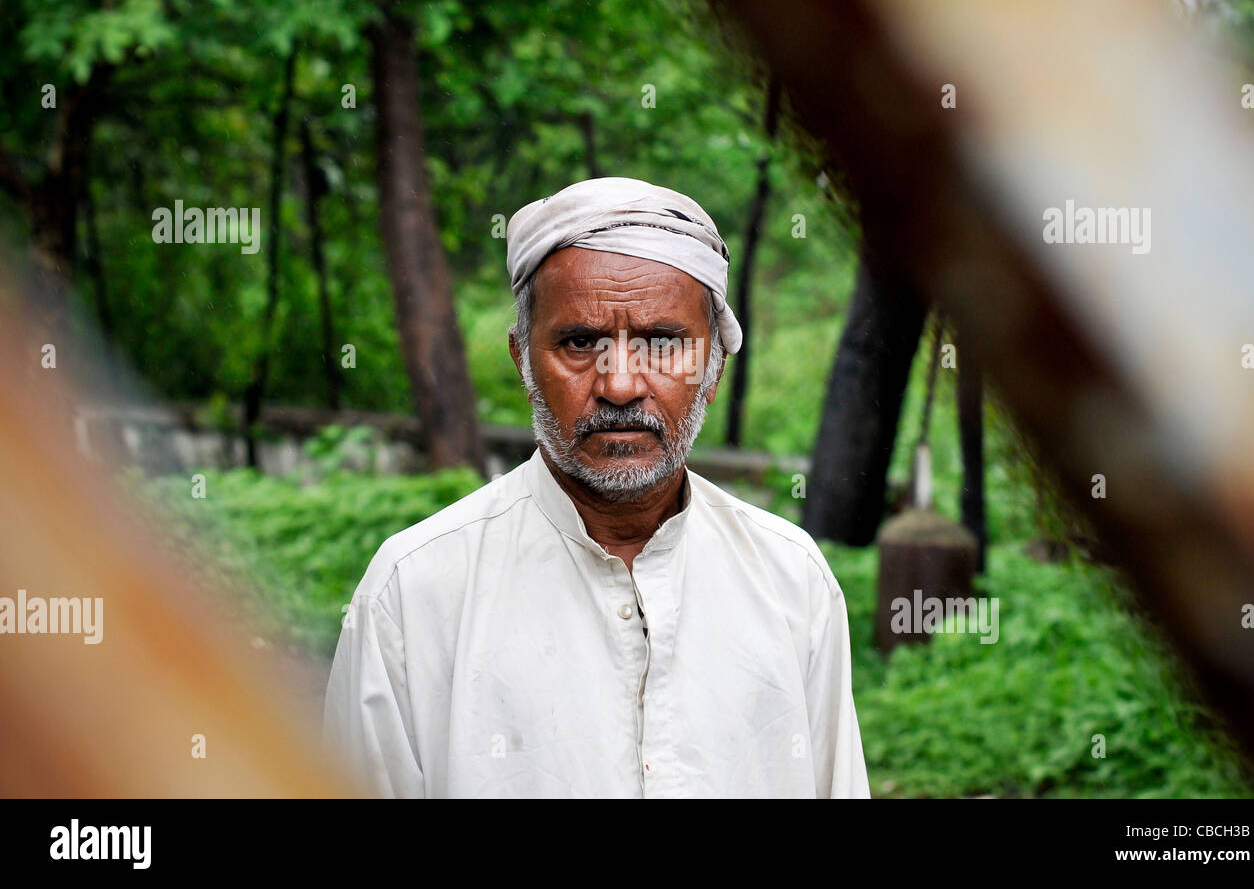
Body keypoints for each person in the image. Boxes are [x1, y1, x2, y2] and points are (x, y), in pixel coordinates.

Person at [322, 176, 870, 798]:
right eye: (580, 342)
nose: (619, 385)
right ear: (524, 362)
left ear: (713, 368)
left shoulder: (791, 580)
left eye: (662, 342)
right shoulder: (414, 592)